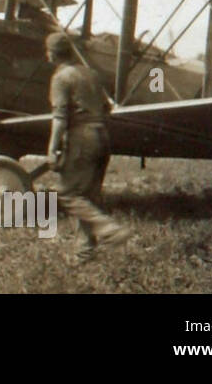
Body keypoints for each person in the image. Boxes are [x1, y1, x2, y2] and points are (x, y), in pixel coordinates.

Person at [43, 32, 130, 263]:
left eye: (47, 50)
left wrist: (52, 149)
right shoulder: (91, 73)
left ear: (53, 53)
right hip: (102, 135)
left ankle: (108, 229)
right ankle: (85, 251)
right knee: (88, 196)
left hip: (82, 138)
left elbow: (60, 117)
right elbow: (107, 107)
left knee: (68, 193)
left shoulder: (61, 78)